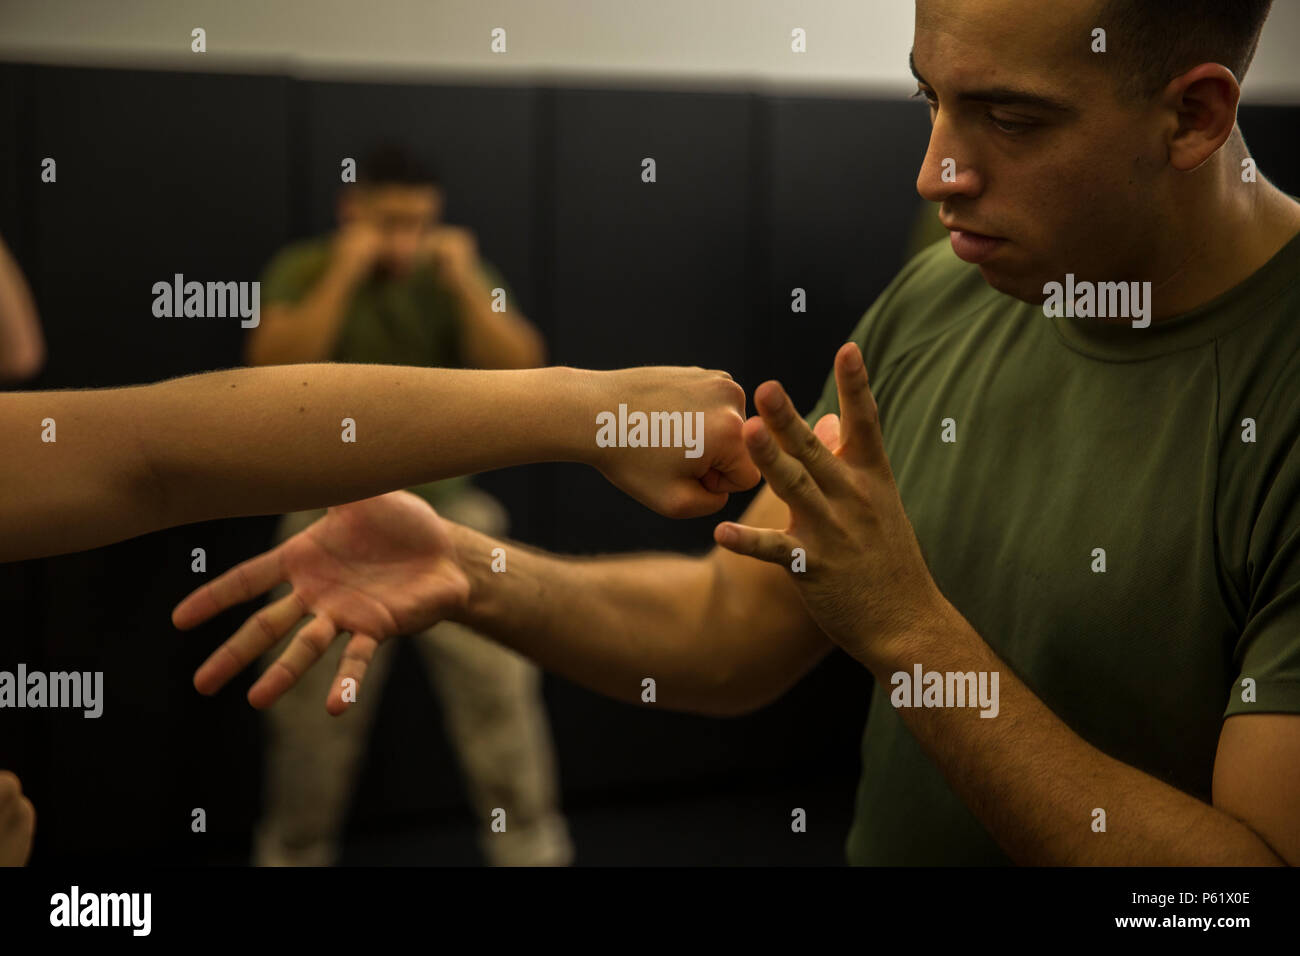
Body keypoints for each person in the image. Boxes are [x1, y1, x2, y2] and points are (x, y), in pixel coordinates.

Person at [179, 0, 1300, 865]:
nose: (935, 174)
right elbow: (732, 627)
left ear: (1194, 115)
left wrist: (912, 635)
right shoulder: (940, 300)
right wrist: (469, 567)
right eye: (931, 103)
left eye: (1009, 117)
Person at [0, 360, 757, 864]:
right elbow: (145, 455)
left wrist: (600, 414)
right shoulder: (320, 272)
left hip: (428, 529)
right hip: (348, 533)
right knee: (311, 733)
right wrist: (599, 413)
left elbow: (141, 454)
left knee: (499, 717)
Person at [247, 144, 563, 866]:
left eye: (418, 223)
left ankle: (532, 853)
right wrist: (346, 271)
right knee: (310, 717)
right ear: (350, 211)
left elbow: (527, 368)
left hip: (451, 515)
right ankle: (294, 853)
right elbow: (267, 368)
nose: (403, 239)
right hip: (327, 518)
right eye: (388, 221)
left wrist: (461, 285)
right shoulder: (306, 268)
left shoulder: (453, 273)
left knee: (502, 694)